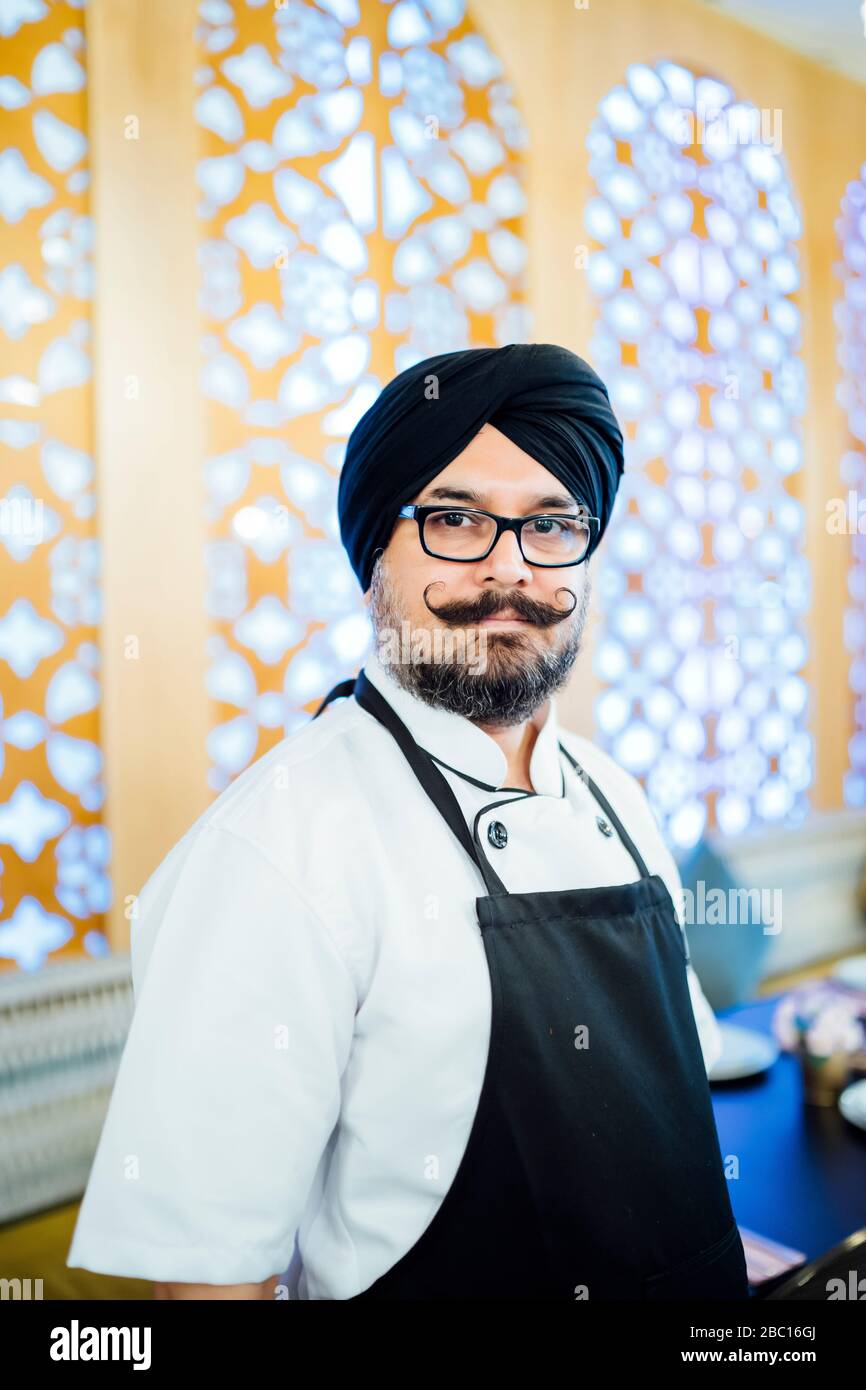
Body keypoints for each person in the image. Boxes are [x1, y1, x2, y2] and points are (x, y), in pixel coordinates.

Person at [67, 342, 749, 1300]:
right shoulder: (279, 847)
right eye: (457, 518)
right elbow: (215, 1286)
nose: (509, 570)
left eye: (552, 524)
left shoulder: (616, 796)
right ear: (372, 553)